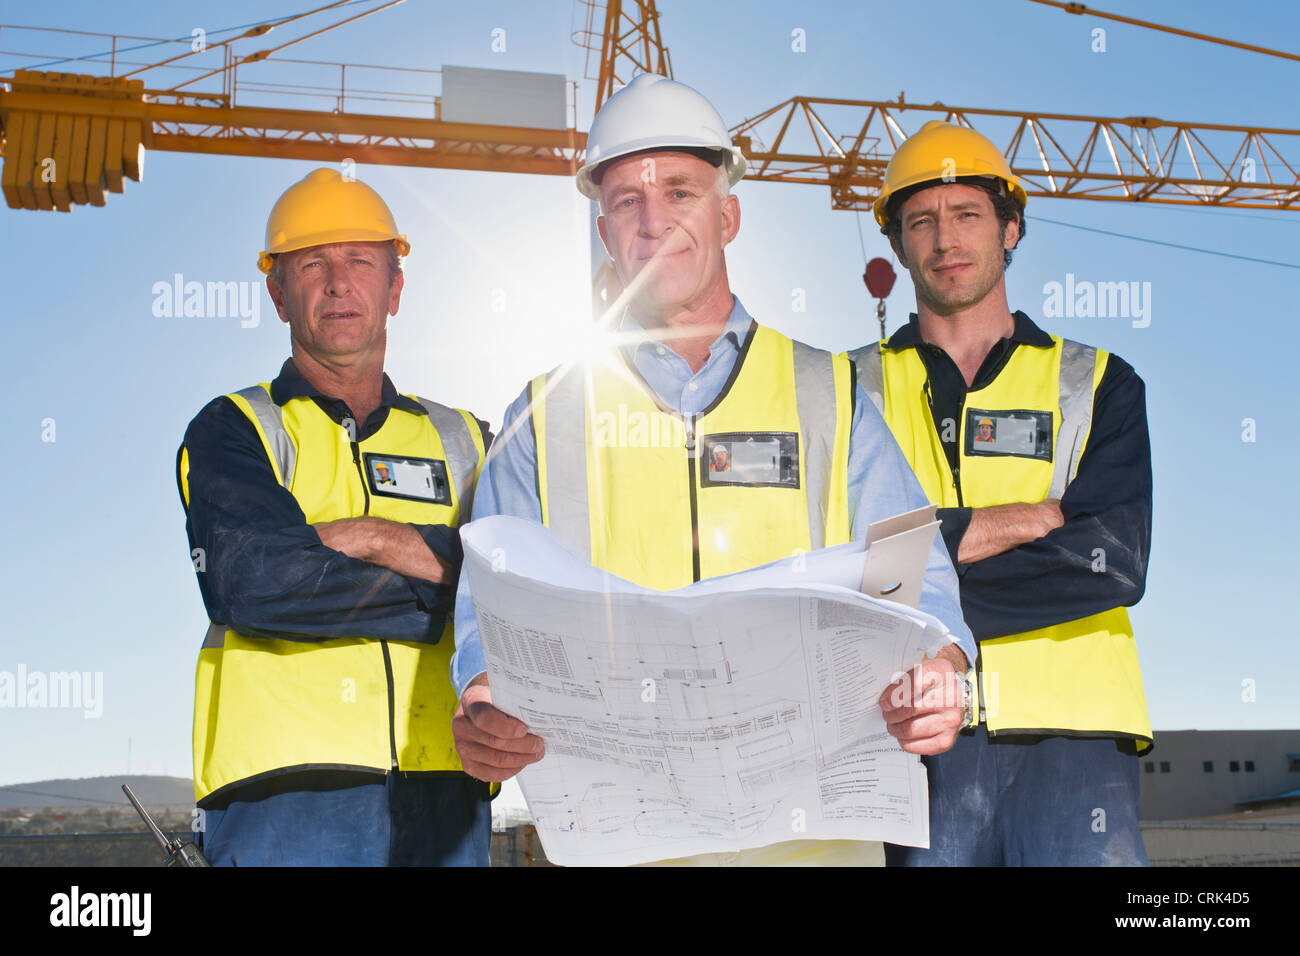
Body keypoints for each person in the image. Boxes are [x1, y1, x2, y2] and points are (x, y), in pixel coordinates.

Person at [448, 74, 976, 866]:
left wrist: (941, 670)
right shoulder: (543, 415)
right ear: (604, 232)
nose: (654, 221)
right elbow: (489, 608)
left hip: (815, 842)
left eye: (681, 192)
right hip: (621, 840)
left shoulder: (830, 394)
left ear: (727, 214)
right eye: (627, 199)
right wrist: (482, 697)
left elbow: (914, 571)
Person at [848, 121, 1153, 866]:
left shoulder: (1096, 382)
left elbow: (1111, 561)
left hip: (1072, 737)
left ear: (1011, 227)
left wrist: (926, 553)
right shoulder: (846, 389)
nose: (945, 238)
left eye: (967, 215)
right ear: (898, 243)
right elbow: (845, 565)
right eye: (921, 220)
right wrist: (1036, 519)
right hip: (908, 734)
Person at [177, 168, 493, 866]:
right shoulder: (236, 428)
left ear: (396, 287)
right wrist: (453, 579)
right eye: (312, 264)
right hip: (285, 799)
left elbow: (519, 585)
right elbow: (253, 584)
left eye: (360, 262)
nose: (338, 283)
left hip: (449, 789)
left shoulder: (468, 438)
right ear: (277, 293)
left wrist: (370, 539)